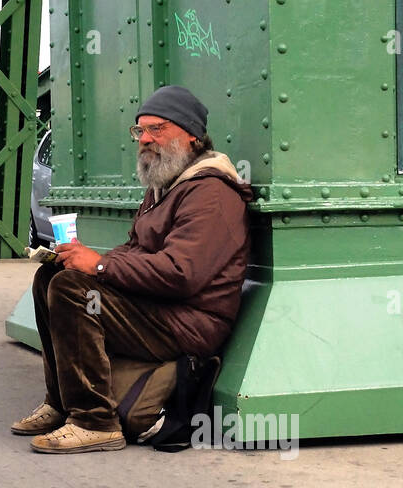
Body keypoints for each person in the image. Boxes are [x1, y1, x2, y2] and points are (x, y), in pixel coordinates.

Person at [13, 86, 252, 454]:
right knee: (51, 277)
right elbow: (137, 248)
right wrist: (84, 259)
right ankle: (61, 402)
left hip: (188, 322)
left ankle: (95, 422)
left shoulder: (211, 194)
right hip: (159, 308)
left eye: (158, 129)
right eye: (140, 131)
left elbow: (181, 273)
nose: (146, 140)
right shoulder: (165, 187)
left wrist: (102, 266)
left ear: (191, 135)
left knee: (74, 290)